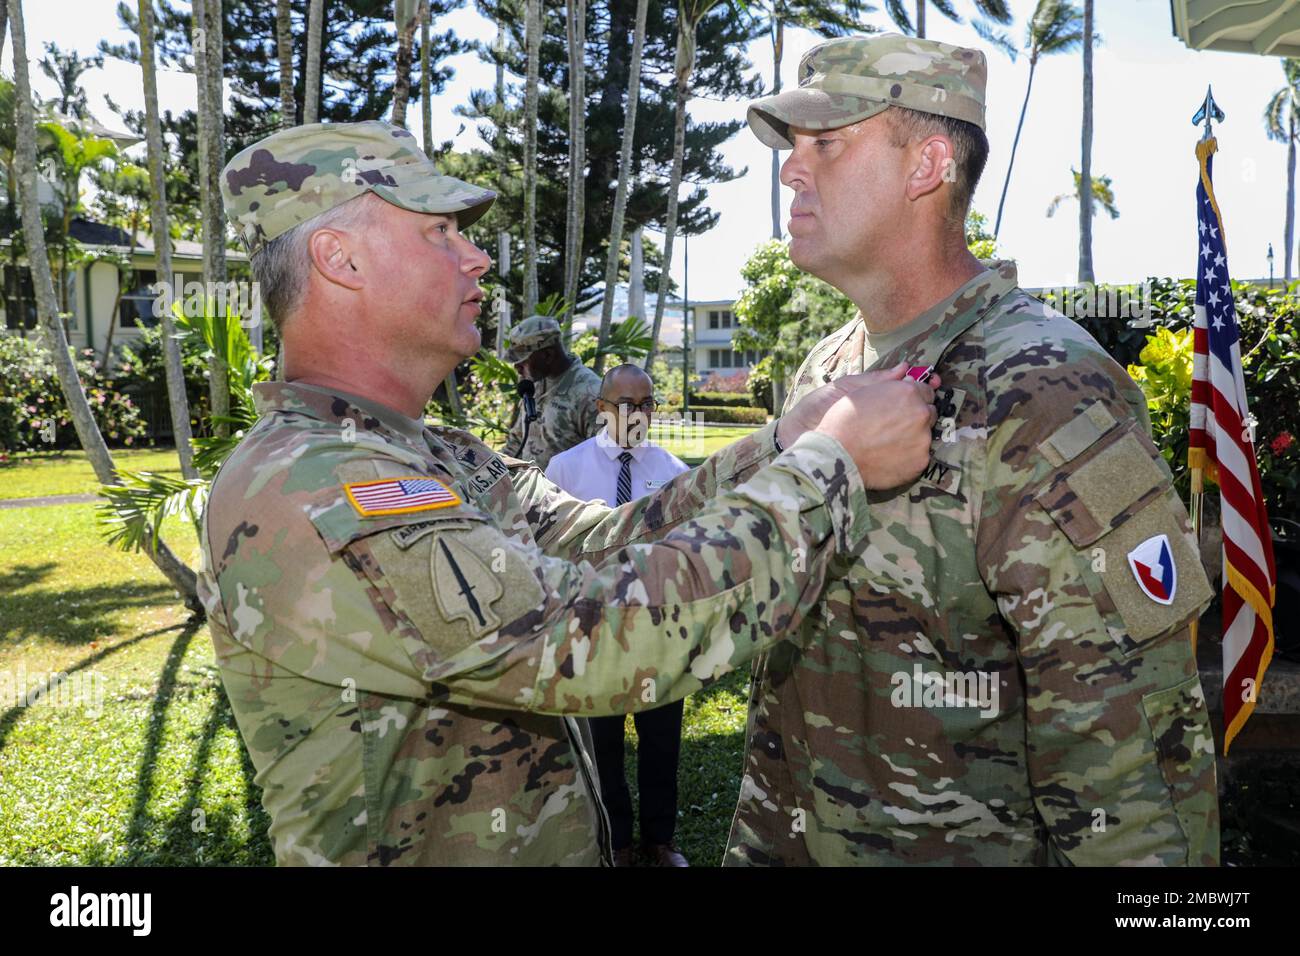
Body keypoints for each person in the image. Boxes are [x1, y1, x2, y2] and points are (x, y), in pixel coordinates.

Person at [202, 119, 941, 866]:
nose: (477, 256)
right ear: (341, 259)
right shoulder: (311, 481)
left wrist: (780, 444)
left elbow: (612, 535)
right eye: (438, 233)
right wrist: (829, 469)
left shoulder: (432, 453)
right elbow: (587, 639)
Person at [725, 33, 1219, 866]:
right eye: (792, 147)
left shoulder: (1047, 387)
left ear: (927, 167)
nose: (790, 170)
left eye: (827, 144)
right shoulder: (834, 366)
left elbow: (1128, 746)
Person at [545, 364, 691, 866]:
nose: (636, 413)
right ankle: (617, 842)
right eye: (624, 404)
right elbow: (549, 548)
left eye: (646, 403)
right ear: (602, 408)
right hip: (592, 628)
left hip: (655, 628)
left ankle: (660, 841)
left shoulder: (673, 471)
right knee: (602, 745)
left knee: (661, 741)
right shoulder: (565, 469)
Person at [501, 315, 602, 471]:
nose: (517, 367)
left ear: (548, 355)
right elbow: (517, 440)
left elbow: (603, 461)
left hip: (566, 494)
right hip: (528, 491)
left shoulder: (590, 394)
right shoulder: (534, 383)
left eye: (523, 359)